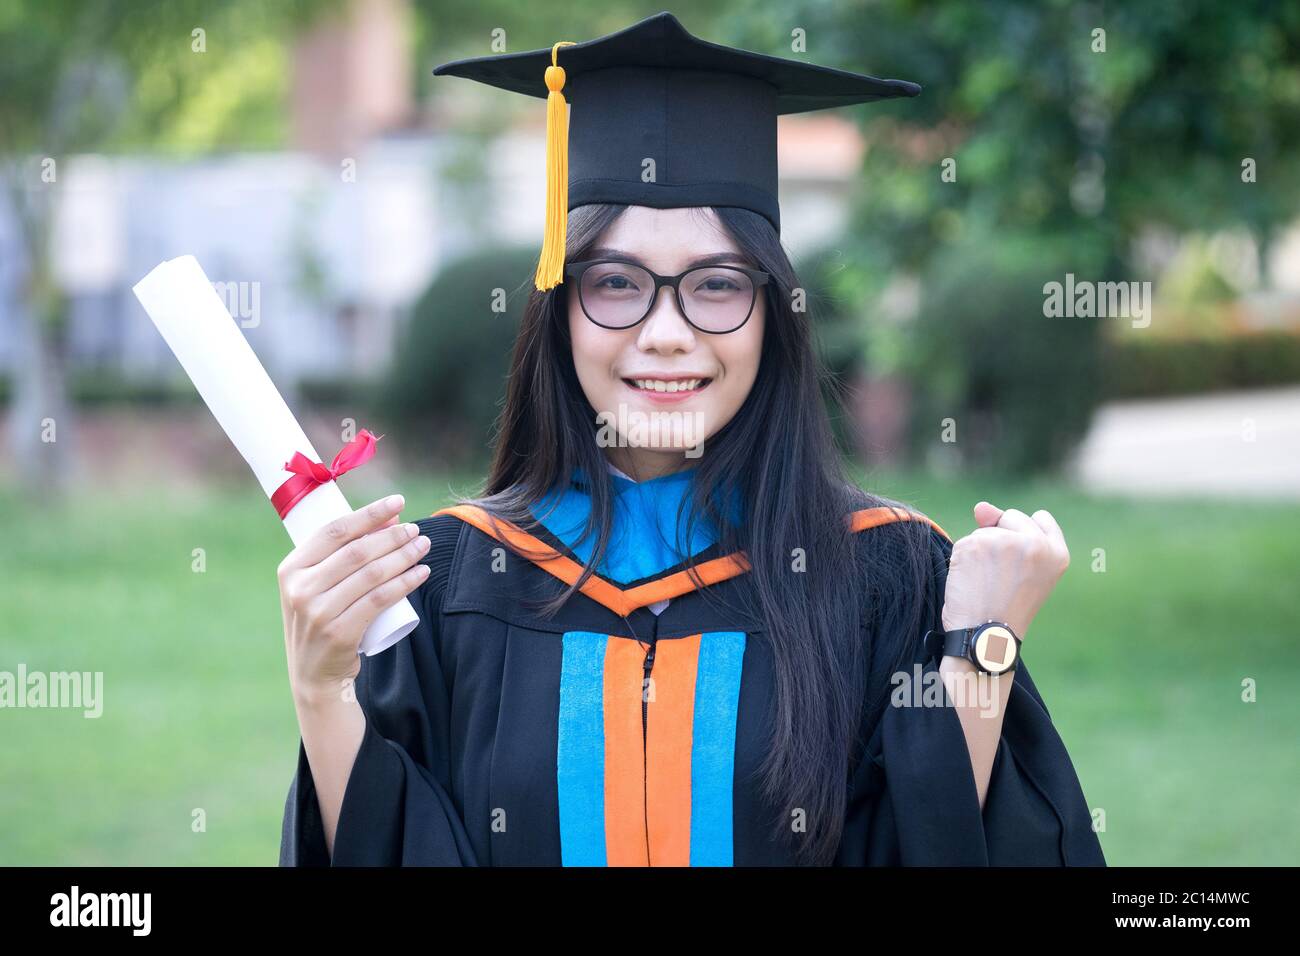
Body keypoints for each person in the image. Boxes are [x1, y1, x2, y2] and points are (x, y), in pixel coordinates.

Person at [277, 11, 1105, 866]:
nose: (666, 332)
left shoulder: (888, 578)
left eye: (715, 285)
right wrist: (320, 686)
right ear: (558, 311)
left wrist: (980, 649)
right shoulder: (449, 585)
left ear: (773, 314)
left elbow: (926, 849)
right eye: (616, 282)